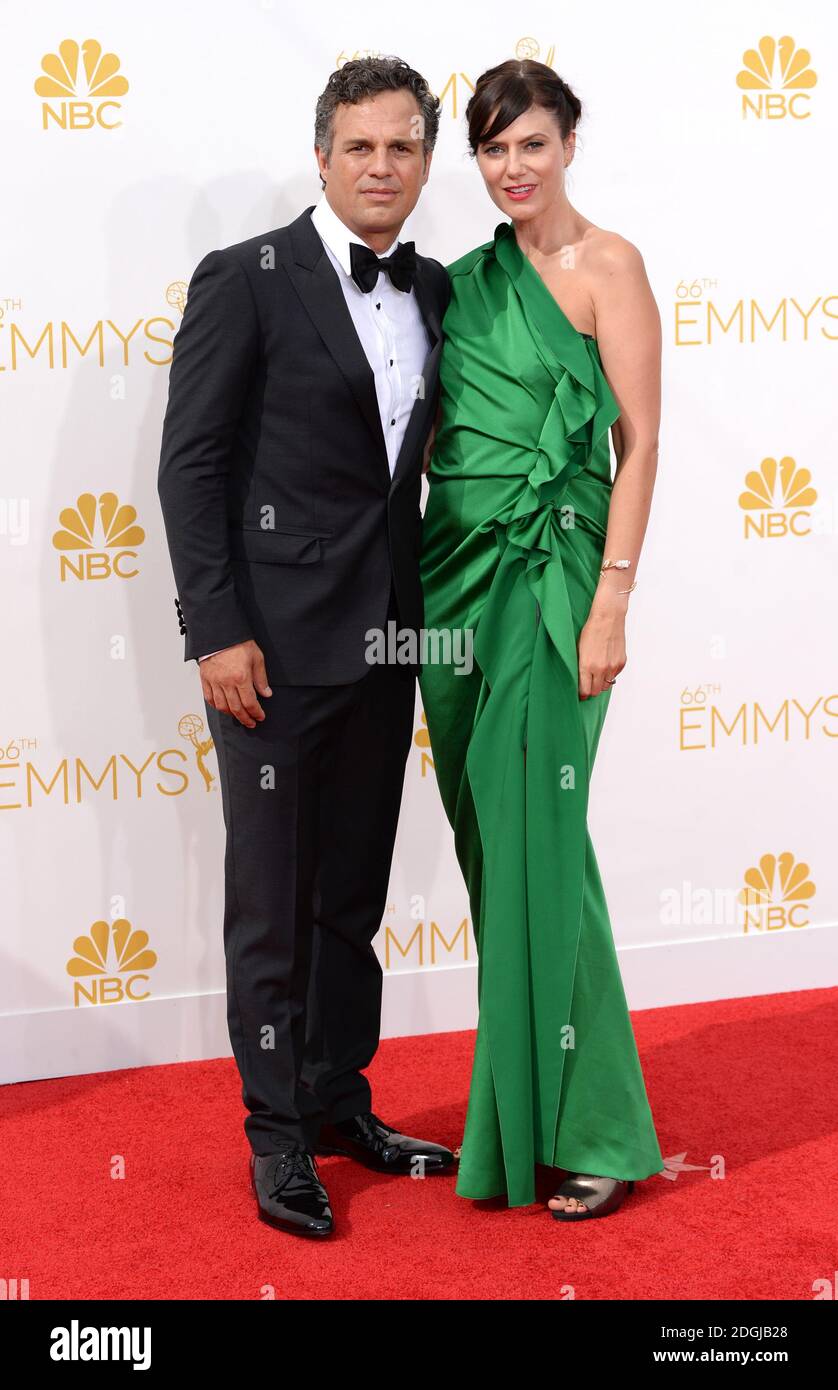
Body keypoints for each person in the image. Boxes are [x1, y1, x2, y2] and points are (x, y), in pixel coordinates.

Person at [157, 56, 455, 1240]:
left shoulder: (435, 287)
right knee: (273, 912)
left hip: (385, 641)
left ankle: (340, 1102)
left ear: (423, 162)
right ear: (323, 155)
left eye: (403, 147)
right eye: (361, 146)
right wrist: (216, 628)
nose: (382, 166)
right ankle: (276, 1140)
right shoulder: (248, 278)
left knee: (351, 900)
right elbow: (193, 465)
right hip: (269, 654)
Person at [419, 59, 665, 1221]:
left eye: (530, 144)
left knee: (543, 841)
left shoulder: (609, 265)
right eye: (491, 148)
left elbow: (639, 443)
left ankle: (601, 1129)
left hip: (555, 583)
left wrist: (611, 595)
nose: (510, 168)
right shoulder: (460, 285)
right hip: (452, 588)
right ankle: (537, 1110)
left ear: (569, 142)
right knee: (499, 849)